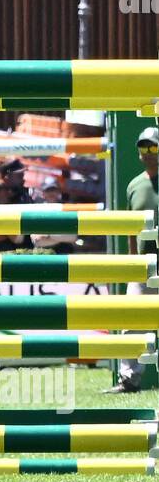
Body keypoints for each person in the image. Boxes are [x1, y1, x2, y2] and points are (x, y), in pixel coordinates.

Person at [105, 126, 158, 393]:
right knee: (131, 324)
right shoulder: (134, 185)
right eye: (144, 148)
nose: (148, 153)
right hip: (144, 265)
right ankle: (129, 380)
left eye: (153, 147)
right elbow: (130, 228)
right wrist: (132, 263)